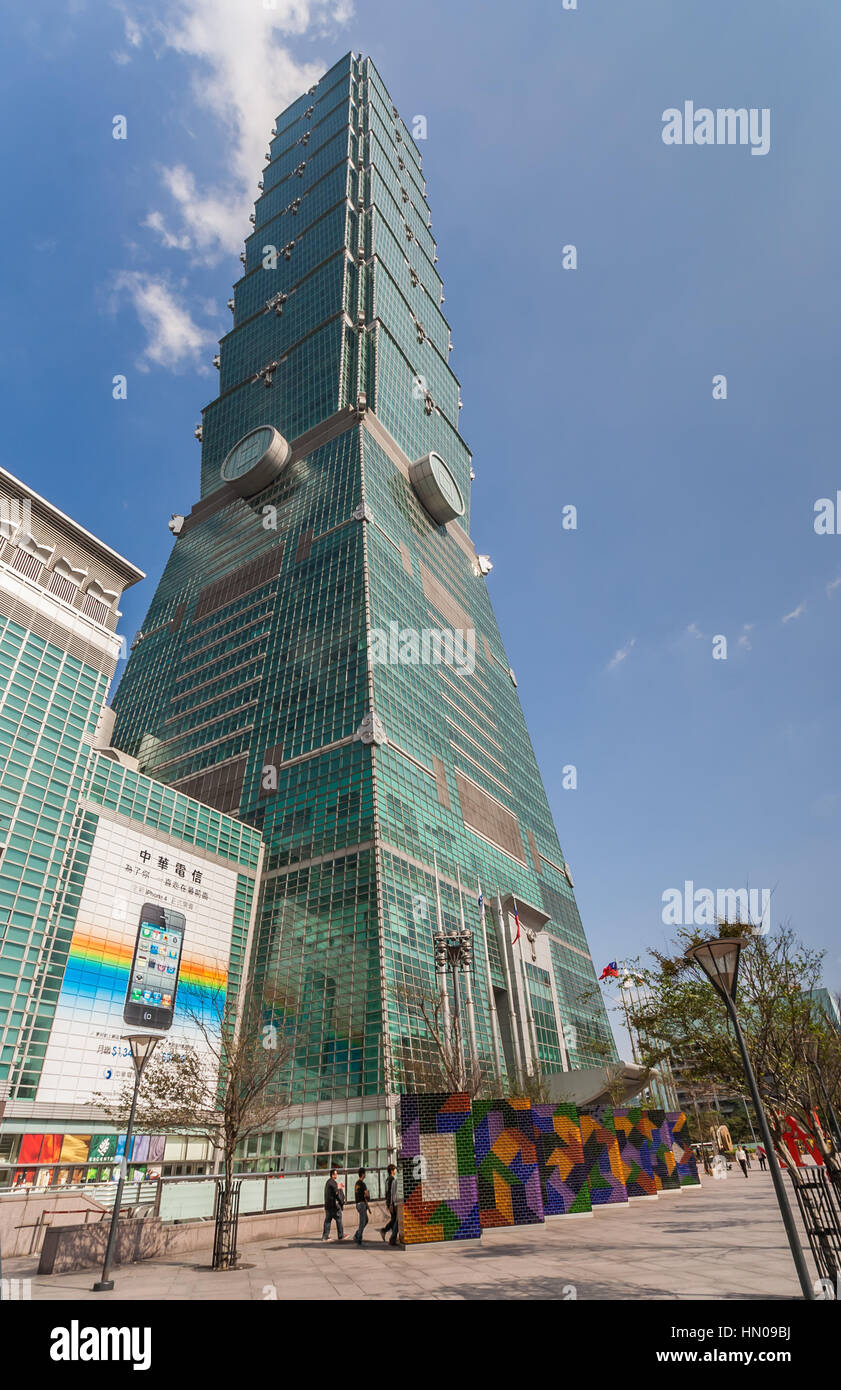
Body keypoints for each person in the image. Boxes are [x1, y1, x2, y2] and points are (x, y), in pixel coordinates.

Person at [322, 1167, 347, 1241]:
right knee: (338, 1219)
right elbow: (337, 1193)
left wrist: (338, 1187)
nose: (337, 1175)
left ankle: (325, 1236)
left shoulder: (328, 1182)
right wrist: (341, 1201)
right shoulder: (333, 1183)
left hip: (328, 1205)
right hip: (333, 1206)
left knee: (328, 1220)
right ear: (332, 1175)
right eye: (336, 1174)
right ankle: (341, 1235)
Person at [380, 1163, 399, 1245]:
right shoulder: (392, 1179)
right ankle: (385, 1231)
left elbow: (387, 1192)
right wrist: (391, 1204)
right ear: (392, 1171)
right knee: (395, 1219)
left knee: (394, 1219)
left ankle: (390, 1234)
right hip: (391, 1202)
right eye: (395, 1169)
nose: (396, 1170)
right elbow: (391, 1192)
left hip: (389, 1201)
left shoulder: (387, 1179)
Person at [353, 1167, 371, 1244]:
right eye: (365, 1173)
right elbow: (366, 1194)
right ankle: (359, 1239)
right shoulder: (363, 1184)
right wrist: (368, 1195)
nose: (365, 1175)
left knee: (365, 1220)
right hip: (362, 1204)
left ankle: (357, 1234)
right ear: (363, 1174)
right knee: (362, 1222)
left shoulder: (357, 1183)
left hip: (358, 1204)